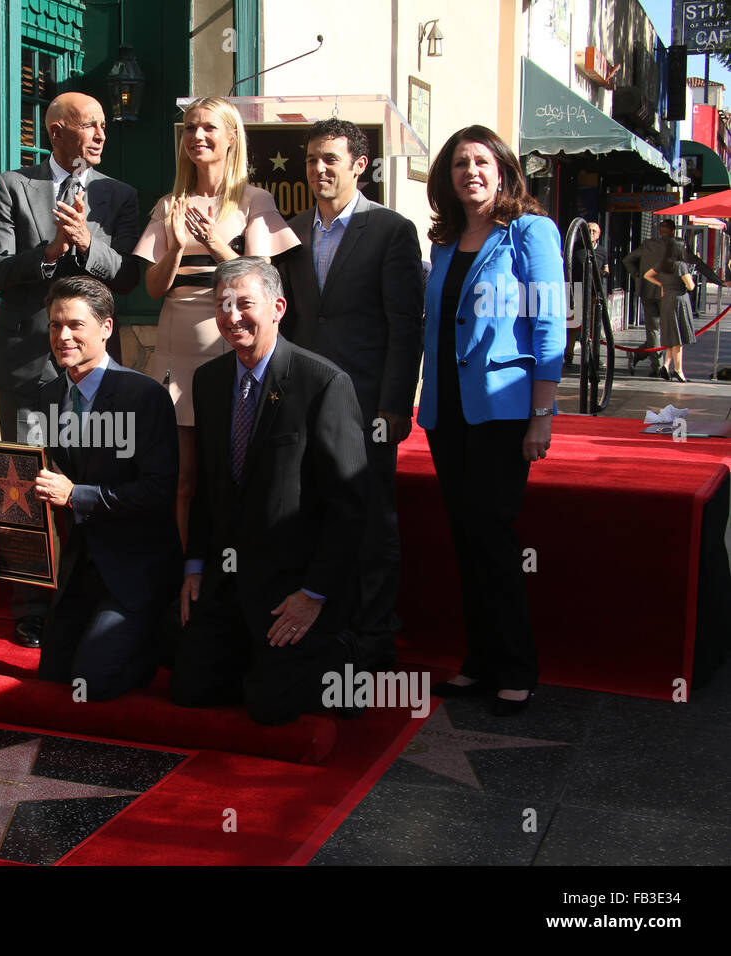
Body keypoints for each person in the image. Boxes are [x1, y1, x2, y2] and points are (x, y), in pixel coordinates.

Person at [171, 258, 367, 725]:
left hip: (292, 585)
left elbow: (351, 507)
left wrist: (314, 594)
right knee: (189, 690)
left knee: (269, 708)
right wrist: (195, 566)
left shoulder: (323, 383)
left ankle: (341, 652)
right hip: (229, 579)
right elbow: (207, 489)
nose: (232, 315)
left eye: (245, 303)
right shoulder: (209, 380)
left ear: (278, 307)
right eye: (223, 304)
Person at [0, 91, 142, 647]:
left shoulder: (119, 195)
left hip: (90, 370)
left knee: (87, 476)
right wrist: (49, 250)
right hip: (27, 366)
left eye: (103, 126)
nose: (100, 135)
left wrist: (88, 241)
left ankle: (91, 588)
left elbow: (124, 277)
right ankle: (30, 604)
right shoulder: (13, 186)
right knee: (23, 483)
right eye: (89, 125)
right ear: (56, 130)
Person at [0, 277, 181, 700]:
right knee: (53, 677)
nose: (62, 336)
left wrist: (77, 495)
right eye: (54, 326)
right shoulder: (47, 397)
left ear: (106, 327)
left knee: (93, 683)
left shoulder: (145, 396)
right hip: (80, 569)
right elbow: (41, 480)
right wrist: (0, 486)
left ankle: (158, 638)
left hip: (134, 569)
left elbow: (159, 491)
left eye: (75, 325)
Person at [417, 125, 565, 716]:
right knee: (466, 537)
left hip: (504, 409)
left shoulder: (529, 231)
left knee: (493, 535)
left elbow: (549, 324)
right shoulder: (447, 241)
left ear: (502, 170)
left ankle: (516, 666)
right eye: (458, 164)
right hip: (447, 413)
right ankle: (479, 660)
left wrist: (542, 414)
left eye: (481, 162)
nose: (470, 172)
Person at [274, 117, 424, 671]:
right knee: (314, 514)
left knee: (371, 519)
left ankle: (375, 636)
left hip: (367, 404)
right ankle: (326, 629)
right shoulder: (291, 233)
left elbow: (405, 324)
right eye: (312, 159)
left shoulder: (391, 230)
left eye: (330, 159)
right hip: (306, 401)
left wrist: (393, 406)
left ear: (359, 165)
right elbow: (287, 325)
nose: (319, 169)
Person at [134, 96, 298, 546]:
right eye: (189, 128)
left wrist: (214, 243)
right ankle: (184, 575)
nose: (196, 137)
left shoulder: (253, 200)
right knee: (183, 481)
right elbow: (152, 287)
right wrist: (180, 246)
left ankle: (234, 569)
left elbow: (259, 280)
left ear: (231, 138)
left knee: (233, 473)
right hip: (176, 353)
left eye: (207, 128)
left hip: (232, 351)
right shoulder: (169, 203)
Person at [622, 220, 722, 375]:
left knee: (653, 330)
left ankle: (653, 362)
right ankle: (657, 364)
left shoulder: (648, 244)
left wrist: (637, 276)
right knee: (671, 331)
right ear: (674, 231)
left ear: (660, 231)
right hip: (669, 293)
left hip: (648, 291)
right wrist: (719, 281)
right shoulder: (678, 246)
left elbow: (627, 259)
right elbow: (699, 264)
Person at [643, 241, 697, 383]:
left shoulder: (663, 264)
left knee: (672, 333)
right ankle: (678, 370)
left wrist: (662, 284)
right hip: (679, 300)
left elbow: (647, 275)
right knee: (678, 336)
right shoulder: (681, 265)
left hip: (666, 298)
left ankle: (666, 366)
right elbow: (690, 286)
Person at [565, 221, 608, 368]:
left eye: (594, 231)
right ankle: (568, 355)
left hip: (594, 293)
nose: (591, 233)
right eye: (588, 230)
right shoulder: (574, 247)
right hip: (575, 290)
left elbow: (606, 267)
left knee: (591, 327)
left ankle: (591, 356)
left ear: (599, 235)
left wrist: (604, 273)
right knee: (572, 324)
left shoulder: (602, 251)